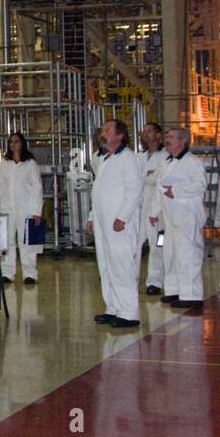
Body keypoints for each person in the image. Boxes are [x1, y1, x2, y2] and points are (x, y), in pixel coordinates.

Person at [87, 119, 144, 328]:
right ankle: (113, 307)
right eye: (102, 130)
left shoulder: (129, 159)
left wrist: (123, 216)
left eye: (108, 130)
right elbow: (98, 191)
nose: (103, 133)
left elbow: (134, 190)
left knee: (121, 265)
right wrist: (92, 217)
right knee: (106, 265)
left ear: (120, 135)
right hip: (103, 221)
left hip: (119, 221)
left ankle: (129, 312)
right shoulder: (105, 159)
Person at [159, 126, 207, 311]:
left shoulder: (192, 162)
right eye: (167, 136)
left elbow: (200, 185)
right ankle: (173, 289)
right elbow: (158, 188)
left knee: (187, 253)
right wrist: (154, 212)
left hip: (187, 213)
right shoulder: (166, 161)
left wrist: (176, 192)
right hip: (170, 214)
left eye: (171, 136)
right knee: (170, 252)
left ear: (182, 140)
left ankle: (191, 294)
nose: (167, 139)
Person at [0, 131, 44, 284]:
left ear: (22, 143)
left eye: (16, 141)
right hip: (7, 208)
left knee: (27, 241)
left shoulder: (30, 164)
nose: (14, 144)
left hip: (26, 208)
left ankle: (30, 273)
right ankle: (7, 272)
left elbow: (37, 187)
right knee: (7, 240)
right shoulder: (4, 164)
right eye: (11, 142)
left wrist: (36, 211)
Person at [138, 122, 170, 295]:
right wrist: (147, 175)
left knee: (158, 244)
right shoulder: (140, 157)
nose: (145, 134)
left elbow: (158, 179)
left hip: (158, 212)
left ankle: (155, 281)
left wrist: (145, 176)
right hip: (139, 208)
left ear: (158, 135)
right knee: (134, 245)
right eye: (144, 131)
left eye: (149, 131)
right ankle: (132, 278)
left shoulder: (166, 157)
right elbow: (136, 177)